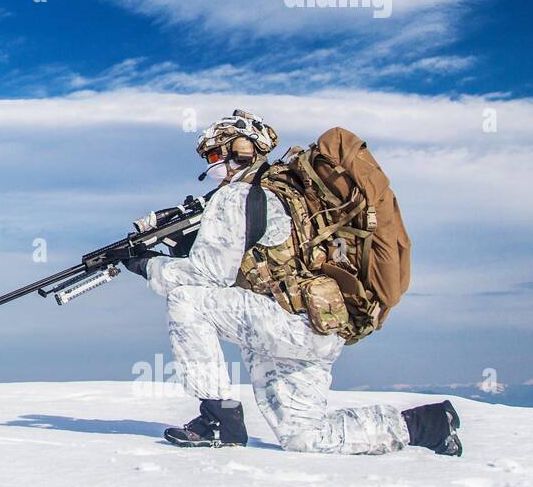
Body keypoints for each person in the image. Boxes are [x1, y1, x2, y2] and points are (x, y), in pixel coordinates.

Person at [121, 110, 462, 456]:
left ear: (241, 150)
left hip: (286, 323)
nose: (212, 168)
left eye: (214, 155)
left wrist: (149, 266)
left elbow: (207, 276)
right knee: (305, 436)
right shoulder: (288, 195)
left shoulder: (236, 197)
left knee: (186, 299)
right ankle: (427, 425)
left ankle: (218, 418)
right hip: (316, 328)